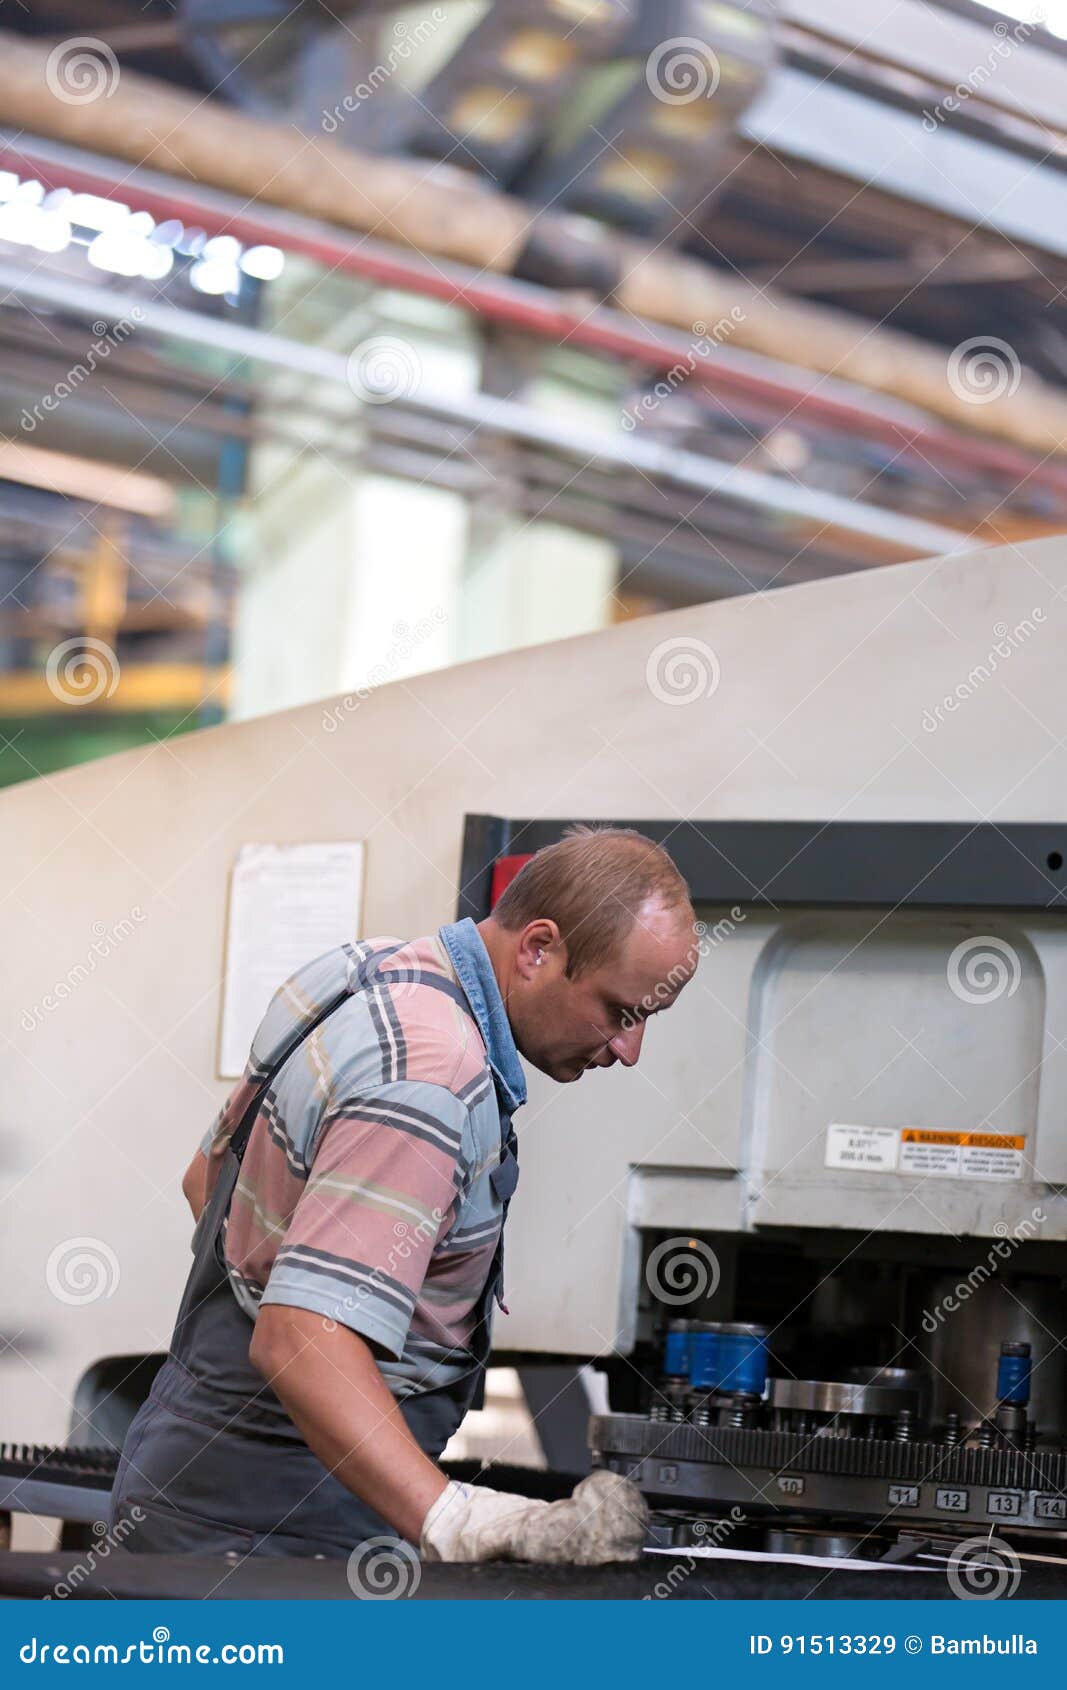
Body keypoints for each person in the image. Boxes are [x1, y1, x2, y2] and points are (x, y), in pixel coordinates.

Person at [109, 825, 698, 1564]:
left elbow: (208, 1184)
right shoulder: (430, 1078)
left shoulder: (359, 971)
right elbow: (299, 1338)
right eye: (620, 1011)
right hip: (280, 1525)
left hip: (191, 1473)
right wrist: (461, 1520)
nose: (628, 1049)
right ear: (538, 948)